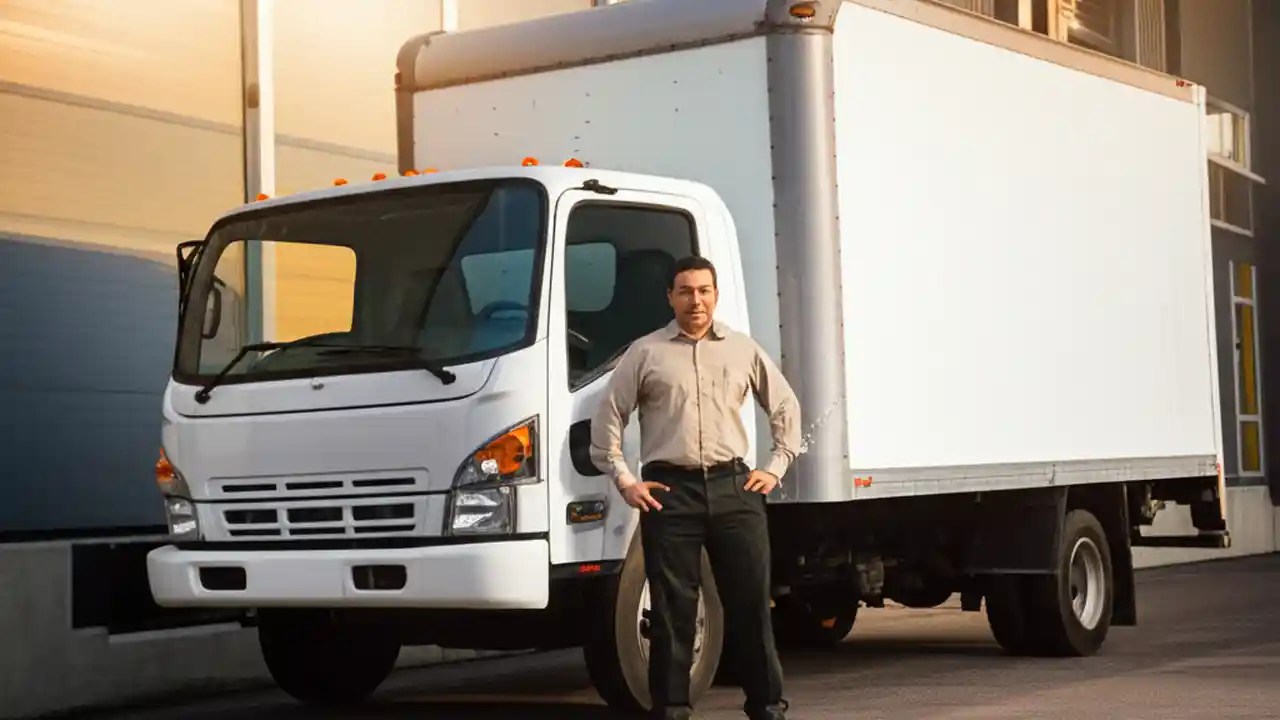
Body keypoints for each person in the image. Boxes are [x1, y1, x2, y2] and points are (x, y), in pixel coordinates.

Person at [590, 255, 802, 720]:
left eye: (704, 290)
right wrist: (626, 480)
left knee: (750, 605)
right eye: (685, 291)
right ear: (670, 297)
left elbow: (784, 405)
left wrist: (777, 464)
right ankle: (672, 708)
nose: (695, 300)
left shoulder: (742, 350)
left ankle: (767, 706)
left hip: (735, 487)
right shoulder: (645, 353)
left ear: (716, 295)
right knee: (672, 610)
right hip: (670, 493)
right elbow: (608, 418)